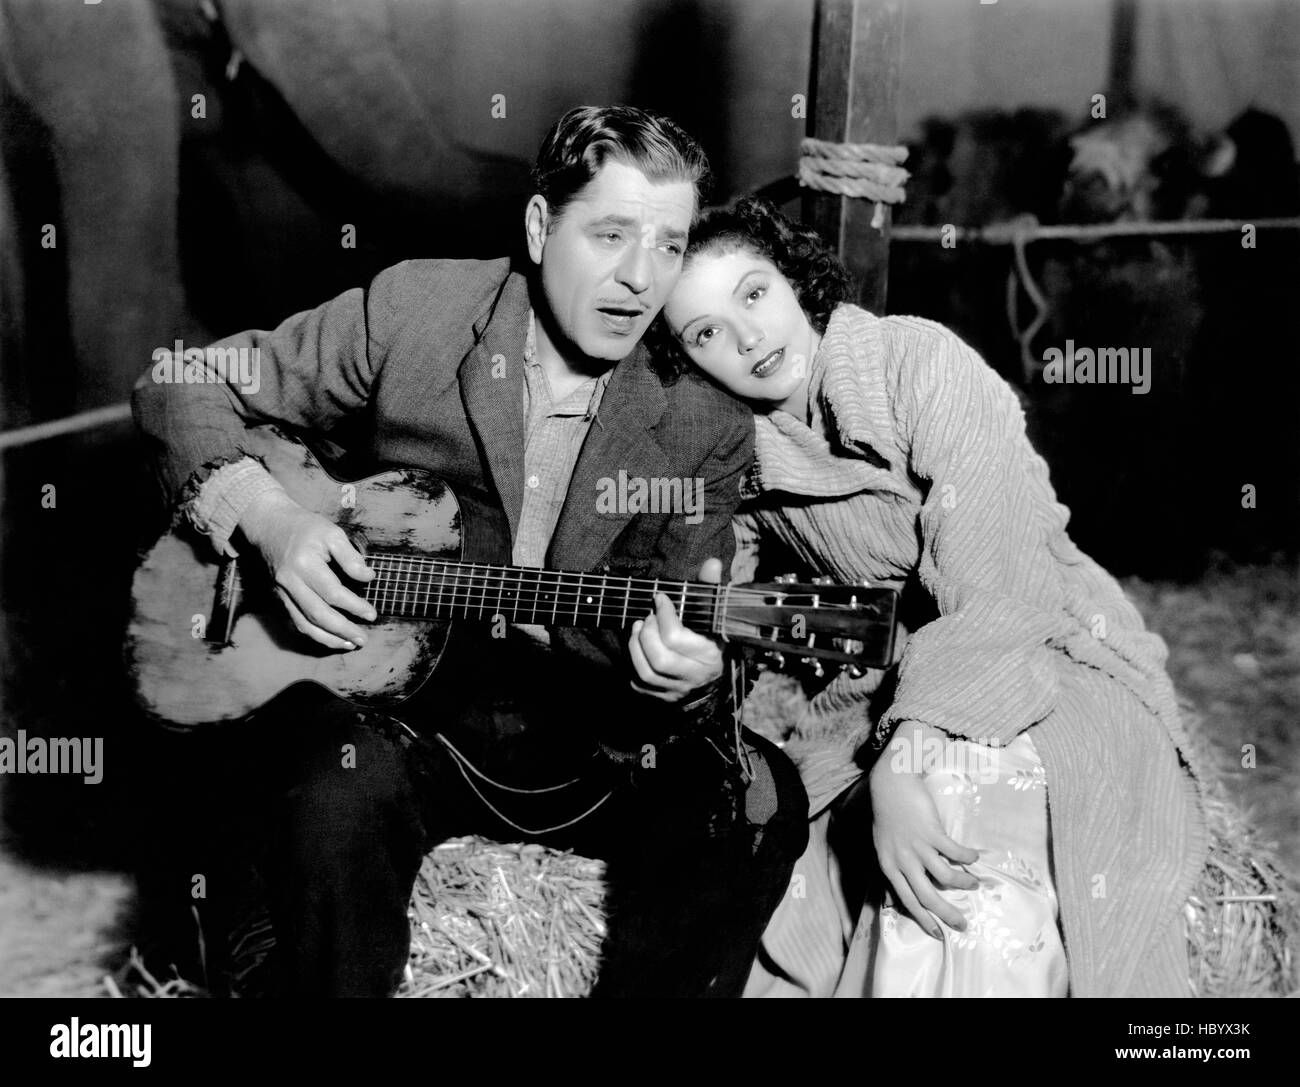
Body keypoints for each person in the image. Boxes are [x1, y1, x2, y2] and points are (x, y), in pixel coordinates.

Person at [131, 108, 808, 998]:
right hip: (402, 712)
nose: (641, 278)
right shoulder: (418, 311)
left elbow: (691, 621)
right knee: (331, 783)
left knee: (763, 797)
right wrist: (269, 519)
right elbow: (181, 382)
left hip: (574, 737)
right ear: (538, 228)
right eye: (609, 234)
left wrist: (688, 677)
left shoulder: (701, 416)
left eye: (669, 245)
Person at [647, 196, 1206, 997]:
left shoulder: (916, 363)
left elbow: (998, 583)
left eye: (752, 293)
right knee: (762, 882)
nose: (745, 337)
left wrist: (905, 759)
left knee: (952, 856)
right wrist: (688, 662)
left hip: (1040, 656)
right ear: (687, 359)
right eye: (704, 332)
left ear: (793, 282)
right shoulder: (738, 450)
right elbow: (715, 589)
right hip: (867, 699)